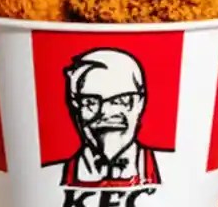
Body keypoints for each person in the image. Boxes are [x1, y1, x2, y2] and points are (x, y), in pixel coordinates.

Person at [47, 48, 164, 188]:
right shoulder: (47, 177)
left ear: (140, 103)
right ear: (75, 106)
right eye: (91, 102)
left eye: (121, 101)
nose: (106, 112)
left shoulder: (173, 170)